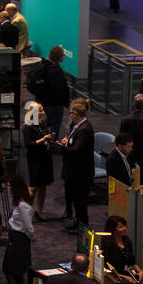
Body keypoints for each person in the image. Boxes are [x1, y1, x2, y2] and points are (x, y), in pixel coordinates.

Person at [56, 99, 95, 231]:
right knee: (77, 199)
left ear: (77, 114)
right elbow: (74, 143)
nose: (70, 115)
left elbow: (77, 149)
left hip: (80, 171)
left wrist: (62, 148)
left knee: (80, 201)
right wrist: (67, 142)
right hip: (74, 169)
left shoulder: (84, 129)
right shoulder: (76, 126)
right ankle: (78, 222)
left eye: (71, 112)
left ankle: (82, 226)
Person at [3, 177, 35, 284]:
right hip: (17, 239)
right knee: (16, 273)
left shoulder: (23, 205)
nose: (8, 187)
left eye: (9, 185)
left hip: (18, 241)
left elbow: (29, 228)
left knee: (11, 272)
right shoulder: (20, 203)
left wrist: (29, 239)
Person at [22, 102, 55, 219]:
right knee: (33, 187)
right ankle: (26, 211)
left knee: (43, 185)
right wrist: (43, 139)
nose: (43, 113)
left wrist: (50, 138)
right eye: (40, 110)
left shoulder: (41, 123)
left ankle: (39, 211)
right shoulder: (27, 126)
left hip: (45, 156)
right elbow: (28, 144)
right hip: (35, 158)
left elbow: (45, 136)